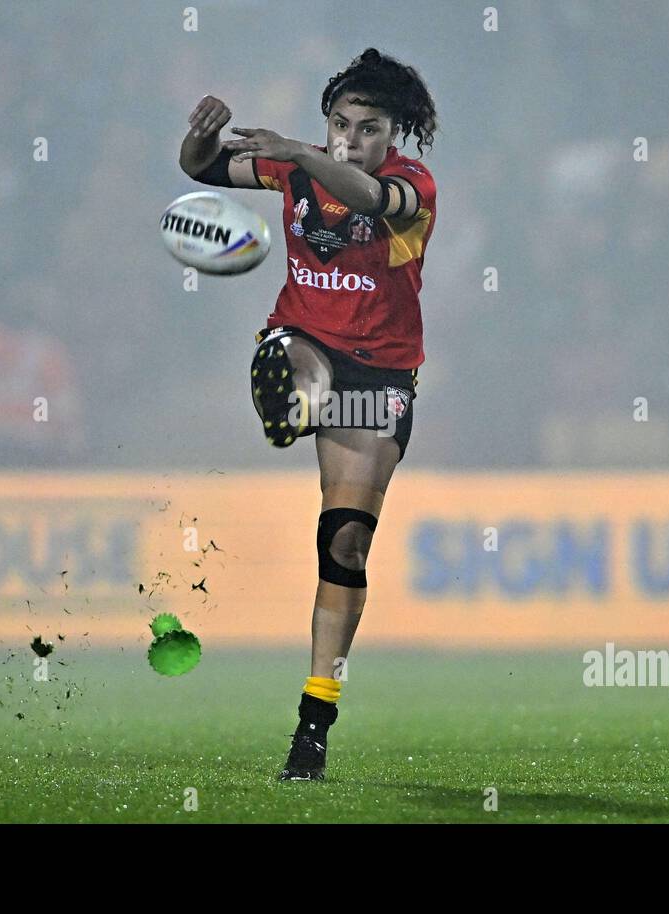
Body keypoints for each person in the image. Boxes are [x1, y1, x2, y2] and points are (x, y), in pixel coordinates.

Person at [178, 48, 438, 781]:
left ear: (394, 136)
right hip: (307, 334)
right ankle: (294, 388)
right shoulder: (296, 169)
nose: (351, 140)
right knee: (296, 352)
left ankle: (314, 722)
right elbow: (199, 170)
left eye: (368, 129)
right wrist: (201, 135)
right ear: (329, 123)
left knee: (346, 545)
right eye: (340, 125)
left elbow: (364, 198)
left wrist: (299, 150)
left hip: (382, 375)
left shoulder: (412, 185)